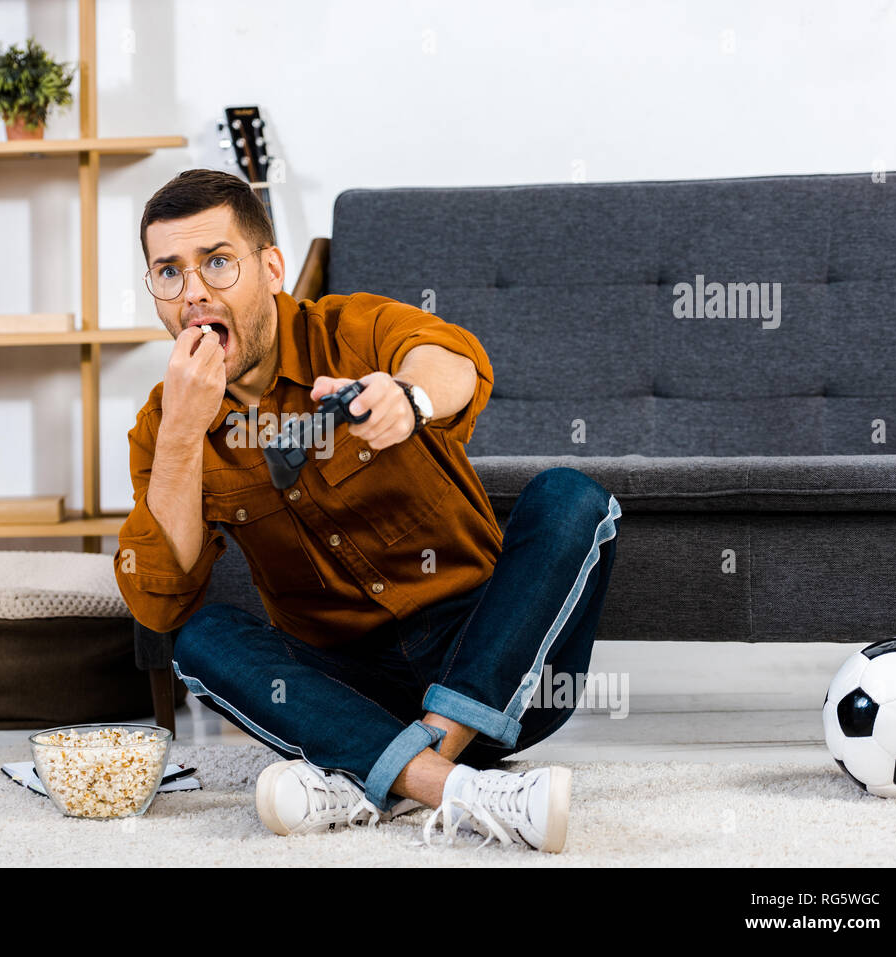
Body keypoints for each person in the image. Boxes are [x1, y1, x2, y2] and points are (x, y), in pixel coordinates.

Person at [114, 168, 623, 852]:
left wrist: (408, 398)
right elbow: (160, 600)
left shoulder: (347, 328)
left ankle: (386, 773)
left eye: (218, 262)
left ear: (271, 267)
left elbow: (456, 362)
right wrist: (182, 432)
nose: (194, 292)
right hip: (345, 687)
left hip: (494, 664)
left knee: (573, 498)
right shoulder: (163, 421)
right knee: (201, 639)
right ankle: (460, 788)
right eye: (168, 273)